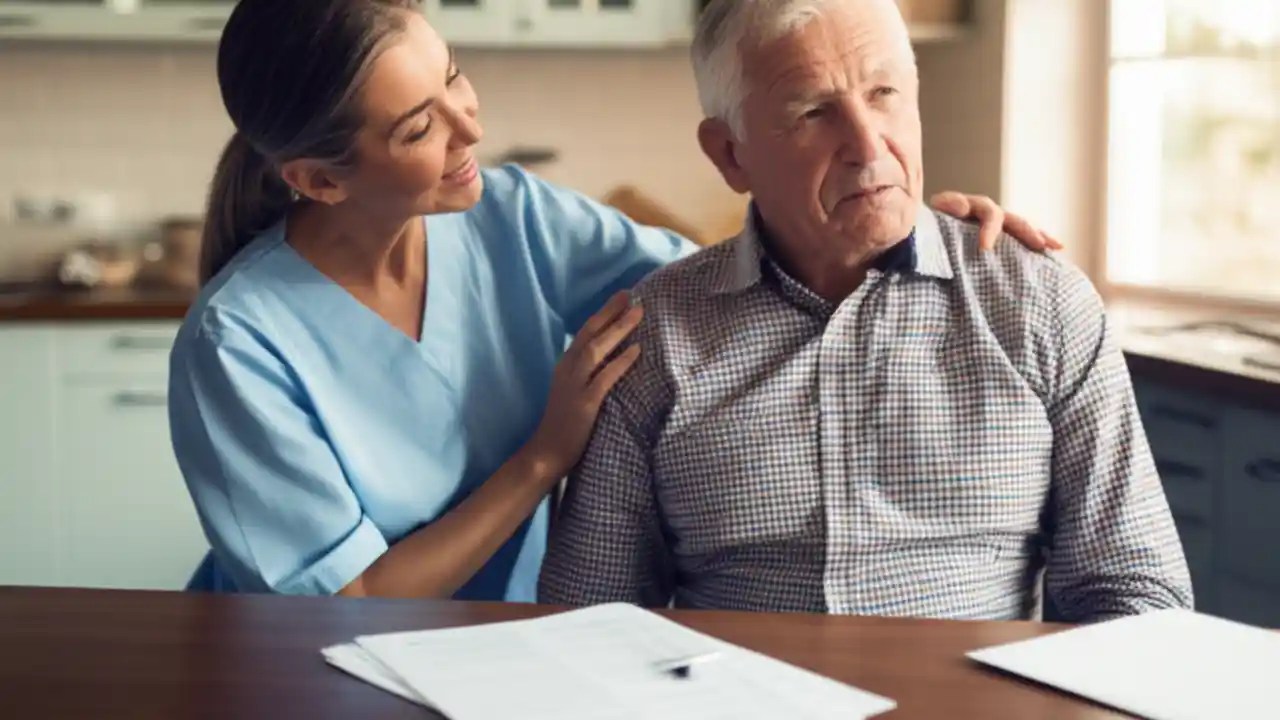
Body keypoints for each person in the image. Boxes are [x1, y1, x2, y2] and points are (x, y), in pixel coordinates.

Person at [169, 0, 1058, 601]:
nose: (468, 124)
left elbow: (728, 277)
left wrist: (892, 223)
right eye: (418, 126)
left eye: (452, 78)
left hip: (502, 651)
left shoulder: (511, 217)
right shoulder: (238, 344)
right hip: (311, 676)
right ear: (320, 180)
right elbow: (347, 601)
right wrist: (542, 458)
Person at [538, 0, 1193, 621]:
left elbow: (1136, 590)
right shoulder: (658, 334)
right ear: (730, 154)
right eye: (814, 112)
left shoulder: (1040, 304)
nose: (869, 145)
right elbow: (590, 615)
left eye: (884, 95)